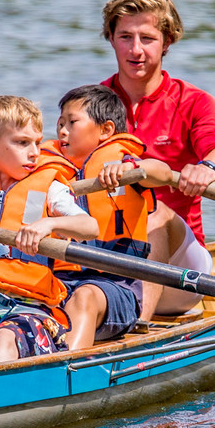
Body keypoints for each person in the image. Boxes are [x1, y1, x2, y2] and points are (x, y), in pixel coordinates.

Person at [100, 0, 215, 317]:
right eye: (125, 37)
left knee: (154, 213)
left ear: (167, 41)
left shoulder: (193, 102)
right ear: (111, 39)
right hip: (106, 254)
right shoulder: (91, 103)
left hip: (181, 273)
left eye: (147, 39)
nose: (136, 50)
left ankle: (139, 325)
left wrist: (208, 169)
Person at [0, 96, 98, 363]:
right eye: (22, 143)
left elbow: (89, 227)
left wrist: (49, 223)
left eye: (37, 142)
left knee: (0, 348)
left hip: (27, 307)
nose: (35, 152)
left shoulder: (50, 187)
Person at [43, 84, 170, 350]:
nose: (62, 131)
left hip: (113, 288)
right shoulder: (46, 169)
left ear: (106, 130)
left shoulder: (124, 165)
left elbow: (163, 172)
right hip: (54, 283)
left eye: (72, 122)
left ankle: (67, 373)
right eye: (60, 124)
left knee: (85, 297)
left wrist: (131, 168)